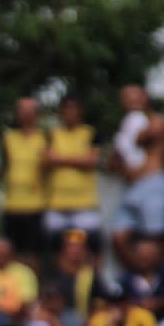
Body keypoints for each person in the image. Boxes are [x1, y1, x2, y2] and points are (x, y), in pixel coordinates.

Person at [111, 84, 164, 268]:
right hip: (130, 188)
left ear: (145, 98)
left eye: (135, 96)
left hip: (153, 184)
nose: (131, 101)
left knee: (154, 240)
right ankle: (141, 276)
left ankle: (162, 278)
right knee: (119, 237)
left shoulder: (157, 121)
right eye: (126, 97)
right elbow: (114, 161)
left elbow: (140, 139)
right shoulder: (125, 126)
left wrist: (125, 136)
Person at [42, 96, 102, 251]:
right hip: (57, 204)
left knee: (83, 247)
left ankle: (86, 269)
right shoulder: (52, 134)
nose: (70, 112)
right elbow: (46, 160)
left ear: (80, 111)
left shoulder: (90, 133)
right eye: (66, 109)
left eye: (73, 108)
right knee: (58, 249)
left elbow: (91, 162)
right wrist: (78, 159)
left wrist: (60, 159)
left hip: (83, 205)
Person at [1, 97, 48, 265]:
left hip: (36, 205)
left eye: (30, 110)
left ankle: (33, 281)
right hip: (12, 205)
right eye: (22, 110)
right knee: (11, 252)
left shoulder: (46, 138)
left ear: (37, 114)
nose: (26, 114)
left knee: (34, 253)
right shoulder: (8, 138)